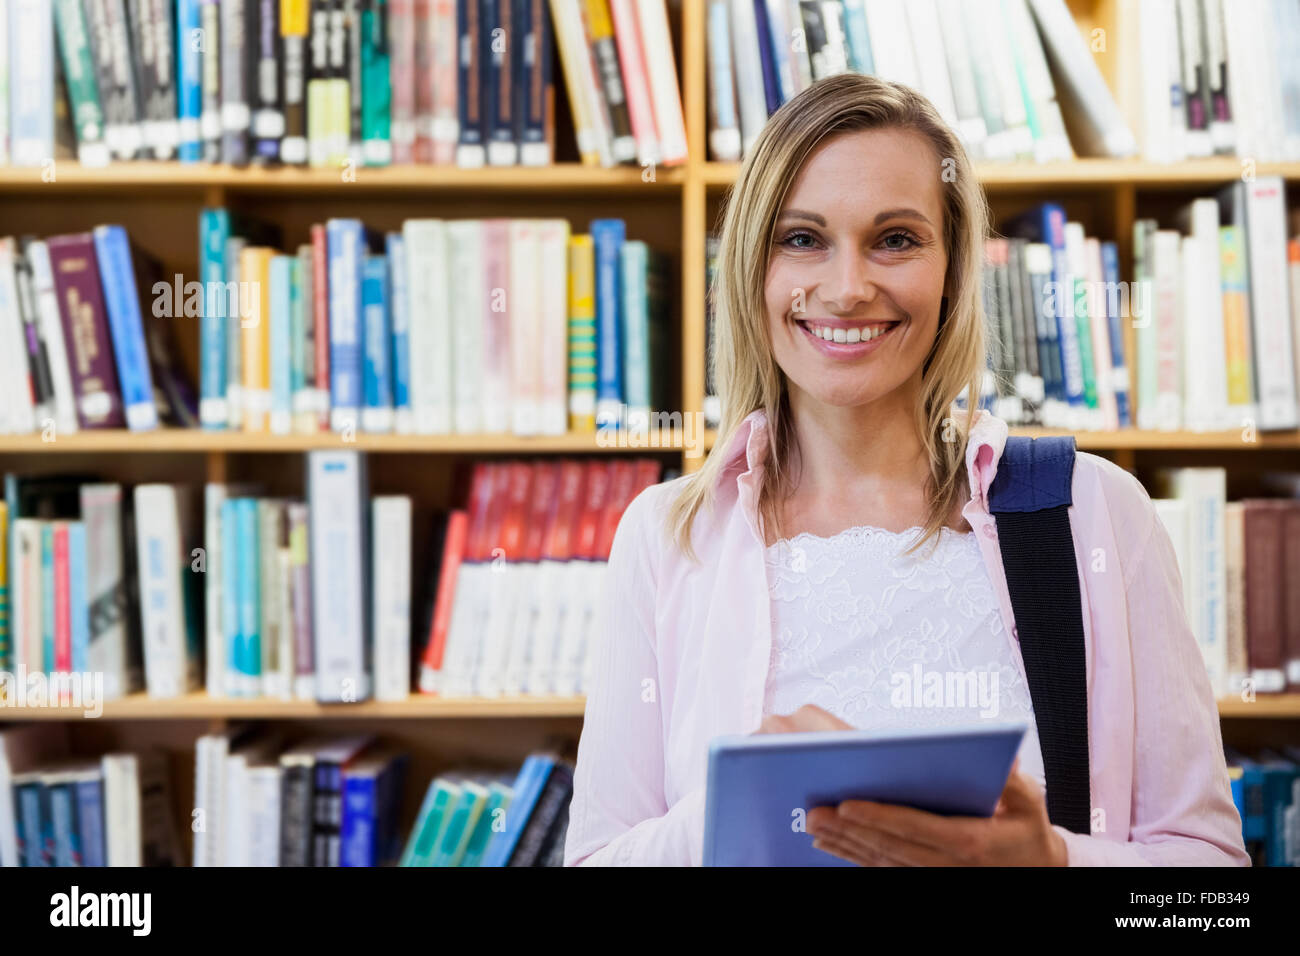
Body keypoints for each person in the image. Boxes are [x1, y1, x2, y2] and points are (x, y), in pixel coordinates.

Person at [563, 73, 1249, 866]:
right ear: (752, 268)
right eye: (801, 238)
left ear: (954, 268)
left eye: (896, 239)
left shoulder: (1091, 513)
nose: (848, 289)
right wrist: (733, 806)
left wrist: (1051, 863)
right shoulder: (666, 537)